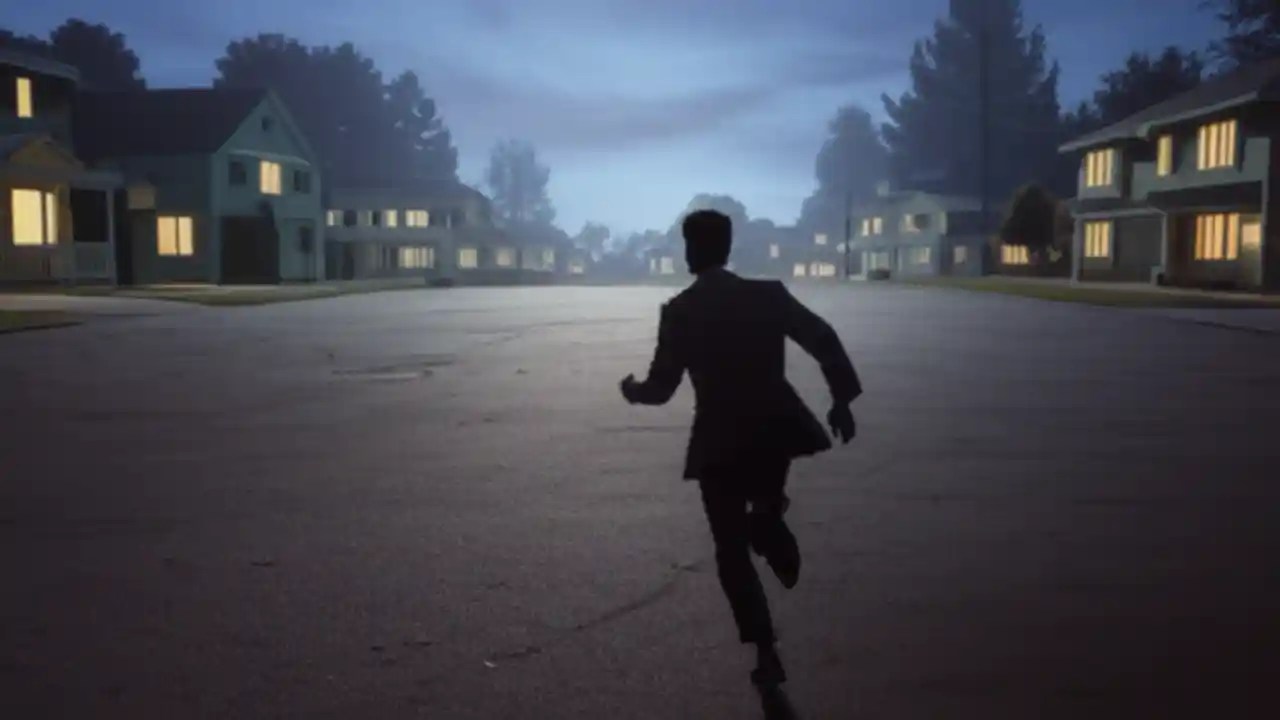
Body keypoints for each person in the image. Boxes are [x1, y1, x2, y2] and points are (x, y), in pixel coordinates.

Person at [620, 209, 860, 687]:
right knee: (763, 502)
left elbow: (663, 387)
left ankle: (765, 648)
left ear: (692, 249)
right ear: (727, 249)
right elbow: (822, 337)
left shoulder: (681, 311)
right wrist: (841, 399)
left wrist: (634, 391)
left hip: (719, 438)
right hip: (774, 427)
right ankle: (769, 520)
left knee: (730, 551)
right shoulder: (767, 296)